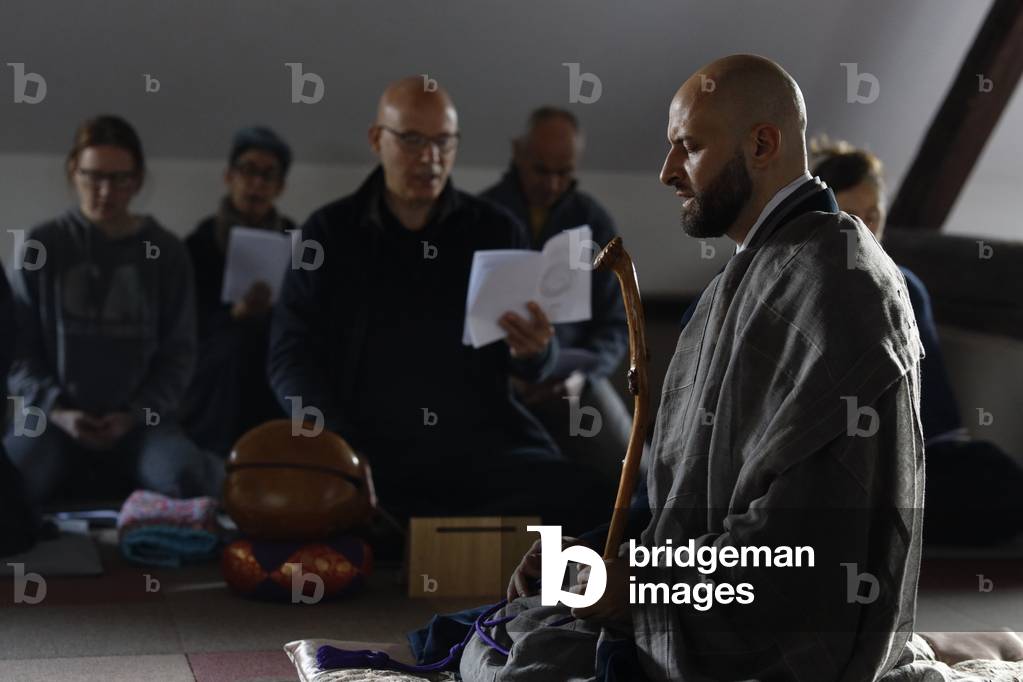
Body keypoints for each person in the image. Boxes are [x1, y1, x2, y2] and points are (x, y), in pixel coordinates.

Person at [459, 54, 937, 682]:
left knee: (527, 666)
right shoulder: (750, 274)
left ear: (762, 143)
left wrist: (638, 587)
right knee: (501, 632)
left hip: (784, 633)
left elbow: (802, 553)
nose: (665, 172)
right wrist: (598, 554)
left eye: (686, 148)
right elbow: (686, 494)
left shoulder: (839, 282)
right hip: (706, 581)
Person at [268, 77, 612, 533]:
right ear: (377, 140)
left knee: (598, 501)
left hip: (480, 446)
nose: (430, 158)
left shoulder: (495, 229)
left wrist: (536, 350)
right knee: (303, 507)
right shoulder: (328, 234)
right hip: (369, 447)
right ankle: (417, 532)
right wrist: (336, 443)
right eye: (412, 140)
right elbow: (288, 355)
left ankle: (422, 535)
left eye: (443, 143)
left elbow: (534, 366)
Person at [811, 138, 1023, 546]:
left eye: (873, 215)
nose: (866, 230)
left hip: (904, 463)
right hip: (828, 461)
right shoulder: (798, 287)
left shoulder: (905, 287)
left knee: (996, 476)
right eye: (851, 216)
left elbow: (936, 421)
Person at [4, 115, 224, 506]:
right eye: (93, 176)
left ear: (137, 180)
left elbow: (179, 354)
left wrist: (134, 414)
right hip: (52, 421)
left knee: (184, 479)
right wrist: (57, 410)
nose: (105, 191)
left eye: (120, 178)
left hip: (142, 425)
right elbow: (18, 352)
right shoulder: (42, 245)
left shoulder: (166, 252)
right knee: (14, 485)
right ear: (73, 171)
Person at [481, 107, 631, 484]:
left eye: (564, 173)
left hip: (574, 381)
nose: (551, 184)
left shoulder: (594, 221)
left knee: (634, 474)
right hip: (494, 382)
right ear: (517, 152)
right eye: (541, 170)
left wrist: (584, 373)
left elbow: (617, 324)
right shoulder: (480, 216)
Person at [180, 126, 295, 454]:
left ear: (280, 187)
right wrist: (235, 315)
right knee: (233, 346)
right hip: (216, 360)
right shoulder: (198, 244)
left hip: (275, 351)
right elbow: (185, 325)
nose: (257, 183)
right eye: (248, 171)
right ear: (229, 176)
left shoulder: (296, 240)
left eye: (268, 175)